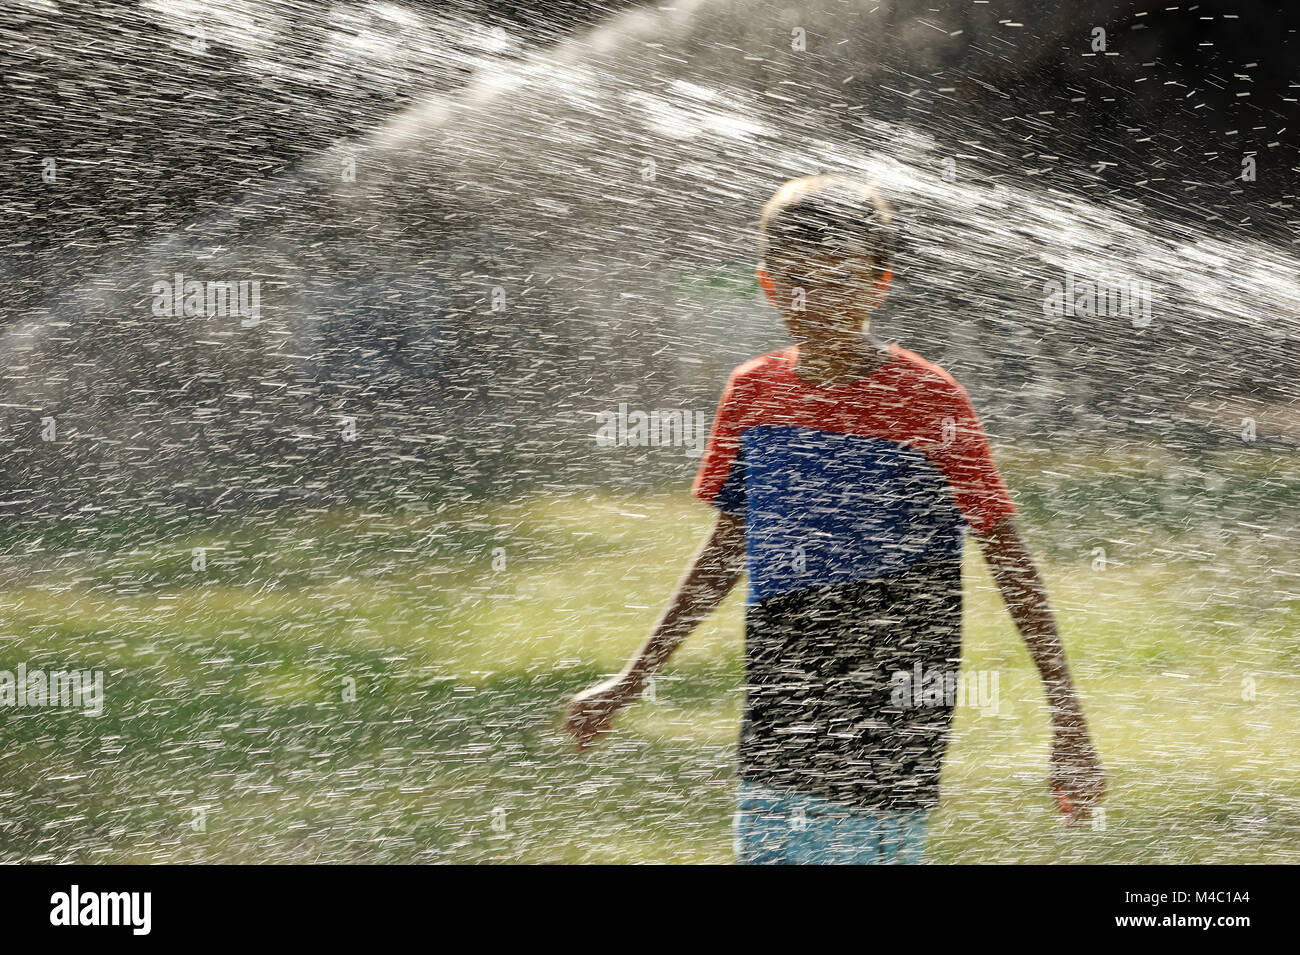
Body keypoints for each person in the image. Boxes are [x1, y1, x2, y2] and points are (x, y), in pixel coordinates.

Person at [564, 174, 1104, 864]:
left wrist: (1068, 723)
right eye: (794, 280)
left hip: (896, 684)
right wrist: (632, 679)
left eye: (839, 279)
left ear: (879, 284)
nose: (814, 301)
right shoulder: (753, 391)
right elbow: (729, 546)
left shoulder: (927, 398)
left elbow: (1007, 553)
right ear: (765, 284)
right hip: (783, 674)